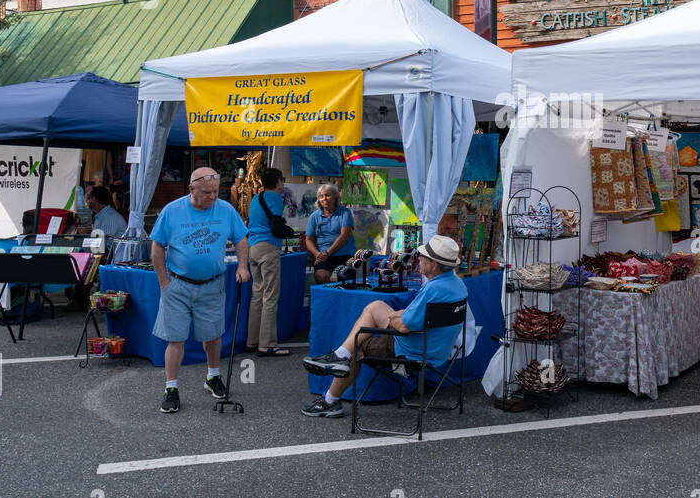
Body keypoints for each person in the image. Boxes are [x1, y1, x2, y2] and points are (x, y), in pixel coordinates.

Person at [301, 235, 467, 419]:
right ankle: (339, 355)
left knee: (359, 345)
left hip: (414, 351)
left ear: (434, 265)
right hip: (439, 350)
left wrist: (394, 317)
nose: (419, 258)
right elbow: (416, 314)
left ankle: (330, 399)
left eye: (423, 256)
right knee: (376, 306)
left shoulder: (433, 289)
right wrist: (399, 316)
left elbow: (403, 327)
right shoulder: (458, 285)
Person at [149, 167, 250, 413]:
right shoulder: (172, 211)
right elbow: (157, 247)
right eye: (206, 192)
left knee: (213, 335)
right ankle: (171, 388)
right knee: (176, 339)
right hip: (178, 284)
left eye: (216, 191)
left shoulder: (225, 209)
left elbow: (241, 238)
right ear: (191, 189)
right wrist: (163, 282)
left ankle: (212, 376)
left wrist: (243, 266)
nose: (212, 197)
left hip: (212, 283)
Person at [245, 167, 290, 357]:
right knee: (270, 296)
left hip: (252, 248)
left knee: (257, 295)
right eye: (283, 179)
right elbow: (277, 225)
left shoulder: (256, 198)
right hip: (268, 248)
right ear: (278, 181)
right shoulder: (275, 199)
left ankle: (252, 341)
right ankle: (267, 344)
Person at [304, 183, 355, 283]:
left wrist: (328, 253)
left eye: (327, 195)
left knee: (343, 279)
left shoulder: (345, 212)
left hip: (344, 255)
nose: (324, 199)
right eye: (321, 196)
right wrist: (317, 254)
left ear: (335, 197)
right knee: (321, 276)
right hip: (323, 256)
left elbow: (344, 236)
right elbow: (309, 239)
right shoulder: (314, 216)